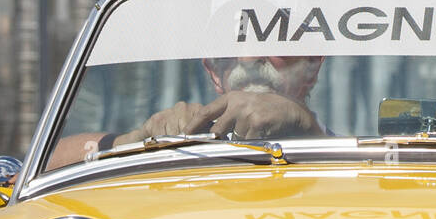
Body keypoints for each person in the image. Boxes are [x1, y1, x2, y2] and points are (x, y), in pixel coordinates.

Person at [46, 54, 326, 170]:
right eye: (233, 44)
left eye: (273, 37)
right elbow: (39, 170)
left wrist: (305, 126)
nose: (249, 59)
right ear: (214, 72)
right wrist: (138, 140)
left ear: (312, 65)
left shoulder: (359, 162)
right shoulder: (184, 156)